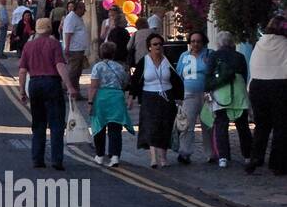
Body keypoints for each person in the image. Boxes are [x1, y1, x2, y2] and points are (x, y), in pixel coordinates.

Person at [18, 18, 78, 170]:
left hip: (35, 84)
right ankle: (56, 160)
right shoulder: (54, 44)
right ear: (50, 29)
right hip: (52, 83)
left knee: (38, 123)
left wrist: (21, 91)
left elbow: (23, 71)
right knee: (56, 124)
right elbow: (60, 65)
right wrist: (69, 86)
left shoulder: (28, 46)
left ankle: (37, 159)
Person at [129, 32, 183, 168]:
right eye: (155, 44)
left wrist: (179, 98)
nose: (158, 46)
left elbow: (177, 80)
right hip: (149, 97)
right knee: (151, 127)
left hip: (166, 97)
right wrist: (131, 97)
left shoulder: (167, 60)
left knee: (165, 127)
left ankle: (163, 157)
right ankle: (153, 158)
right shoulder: (144, 61)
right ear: (149, 47)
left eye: (160, 44)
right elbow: (135, 80)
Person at [246, 12, 287, 177]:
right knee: (281, 126)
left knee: (262, 126)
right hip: (280, 85)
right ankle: (277, 164)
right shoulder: (285, 44)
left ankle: (255, 158)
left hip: (257, 86)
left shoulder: (259, 43)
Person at [203, 33, 252, 169]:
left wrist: (207, 90)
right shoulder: (240, 56)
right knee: (242, 126)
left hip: (221, 94)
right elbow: (244, 75)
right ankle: (248, 156)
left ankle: (223, 157)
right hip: (239, 93)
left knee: (221, 126)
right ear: (232, 43)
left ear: (218, 43)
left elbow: (208, 75)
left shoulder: (214, 56)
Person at [88, 41, 133, 168]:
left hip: (101, 98)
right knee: (115, 129)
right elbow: (125, 83)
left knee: (99, 127)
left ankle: (100, 155)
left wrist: (90, 102)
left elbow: (93, 87)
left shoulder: (97, 67)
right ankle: (114, 157)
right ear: (113, 53)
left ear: (101, 53)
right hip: (117, 98)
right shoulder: (120, 67)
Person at [176, 29, 214, 166]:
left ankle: (211, 154)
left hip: (206, 95)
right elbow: (178, 75)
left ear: (203, 42)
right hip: (188, 95)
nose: (195, 44)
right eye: (193, 41)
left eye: (198, 41)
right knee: (187, 125)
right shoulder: (184, 56)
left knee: (208, 125)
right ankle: (184, 153)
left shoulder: (209, 55)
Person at [61, 1, 90, 99]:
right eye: (83, 8)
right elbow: (68, 33)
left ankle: (76, 93)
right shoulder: (71, 18)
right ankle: (67, 91)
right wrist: (67, 48)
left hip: (79, 49)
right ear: (77, 9)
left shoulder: (77, 17)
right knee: (72, 72)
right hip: (74, 49)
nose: (85, 11)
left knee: (77, 72)